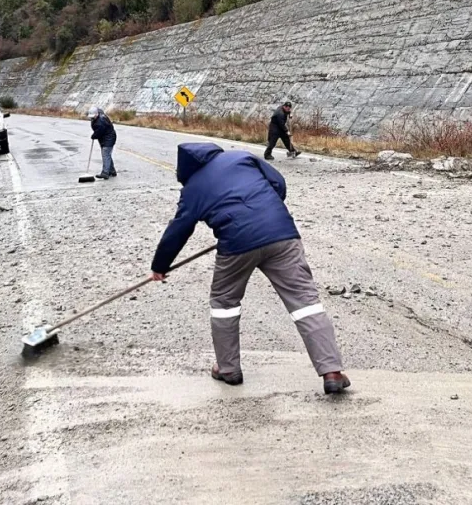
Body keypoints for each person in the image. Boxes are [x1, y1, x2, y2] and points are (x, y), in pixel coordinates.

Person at [150, 143, 350, 394]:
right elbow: (278, 183)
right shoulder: (242, 157)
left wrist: (160, 266)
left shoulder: (192, 188)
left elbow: (179, 229)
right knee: (305, 302)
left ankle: (228, 368)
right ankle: (331, 371)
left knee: (224, 304)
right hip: (283, 235)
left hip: (236, 246)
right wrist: (264, 212)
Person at [87, 106, 117, 179]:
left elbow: (99, 132)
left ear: (97, 114)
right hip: (105, 138)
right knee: (107, 155)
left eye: (93, 116)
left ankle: (105, 173)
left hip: (109, 139)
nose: (92, 118)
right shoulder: (98, 114)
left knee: (105, 154)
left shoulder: (101, 121)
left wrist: (94, 136)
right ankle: (112, 171)